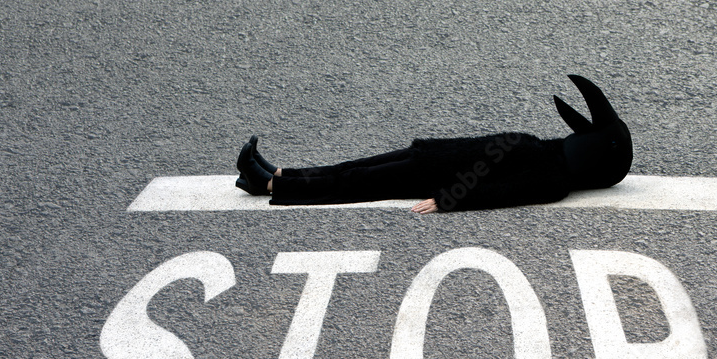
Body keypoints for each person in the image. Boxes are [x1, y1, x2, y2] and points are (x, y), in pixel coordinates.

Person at [236, 75, 632, 213]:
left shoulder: (554, 180)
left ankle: (268, 185)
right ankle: (281, 173)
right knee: (351, 167)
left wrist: (449, 198)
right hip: (431, 154)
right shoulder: (551, 152)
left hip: (438, 174)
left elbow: (502, 192)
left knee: (355, 183)